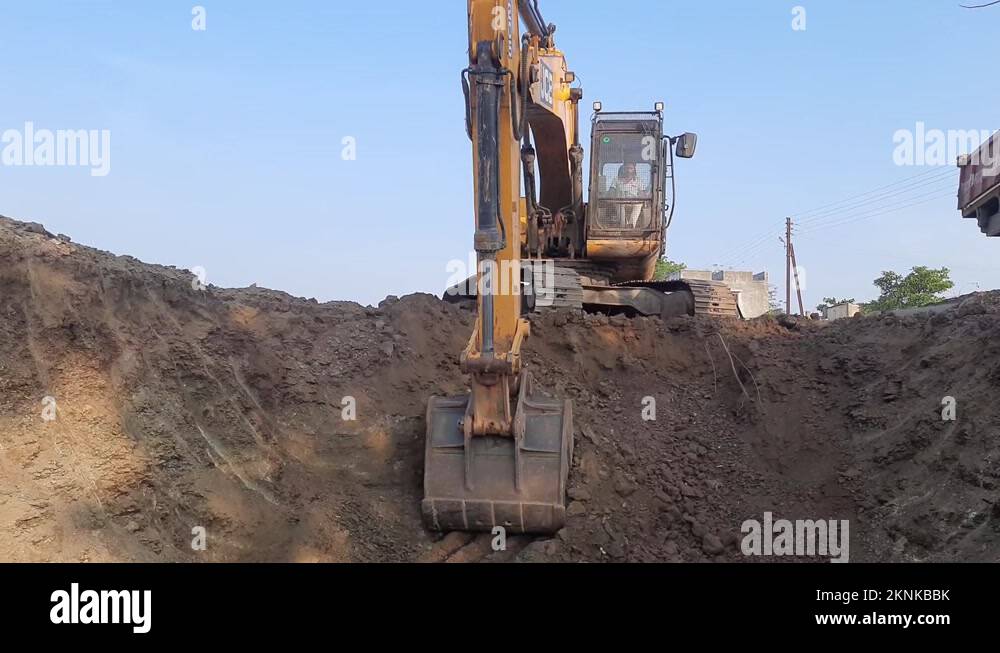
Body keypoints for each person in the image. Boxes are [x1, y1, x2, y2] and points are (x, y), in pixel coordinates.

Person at [611, 162, 648, 227]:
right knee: (619, 205)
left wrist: (642, 196)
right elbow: (611, 191)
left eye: (631, 168)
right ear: (623, 169)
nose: (628, 170)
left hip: (633, 201)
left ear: (634, 170)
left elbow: (643, 193)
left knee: (639, 204)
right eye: (627, 168)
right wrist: (612, 197)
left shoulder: (638, 180)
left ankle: (631, 225)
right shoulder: (616, 179)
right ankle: (624, 225)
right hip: (620, 201)